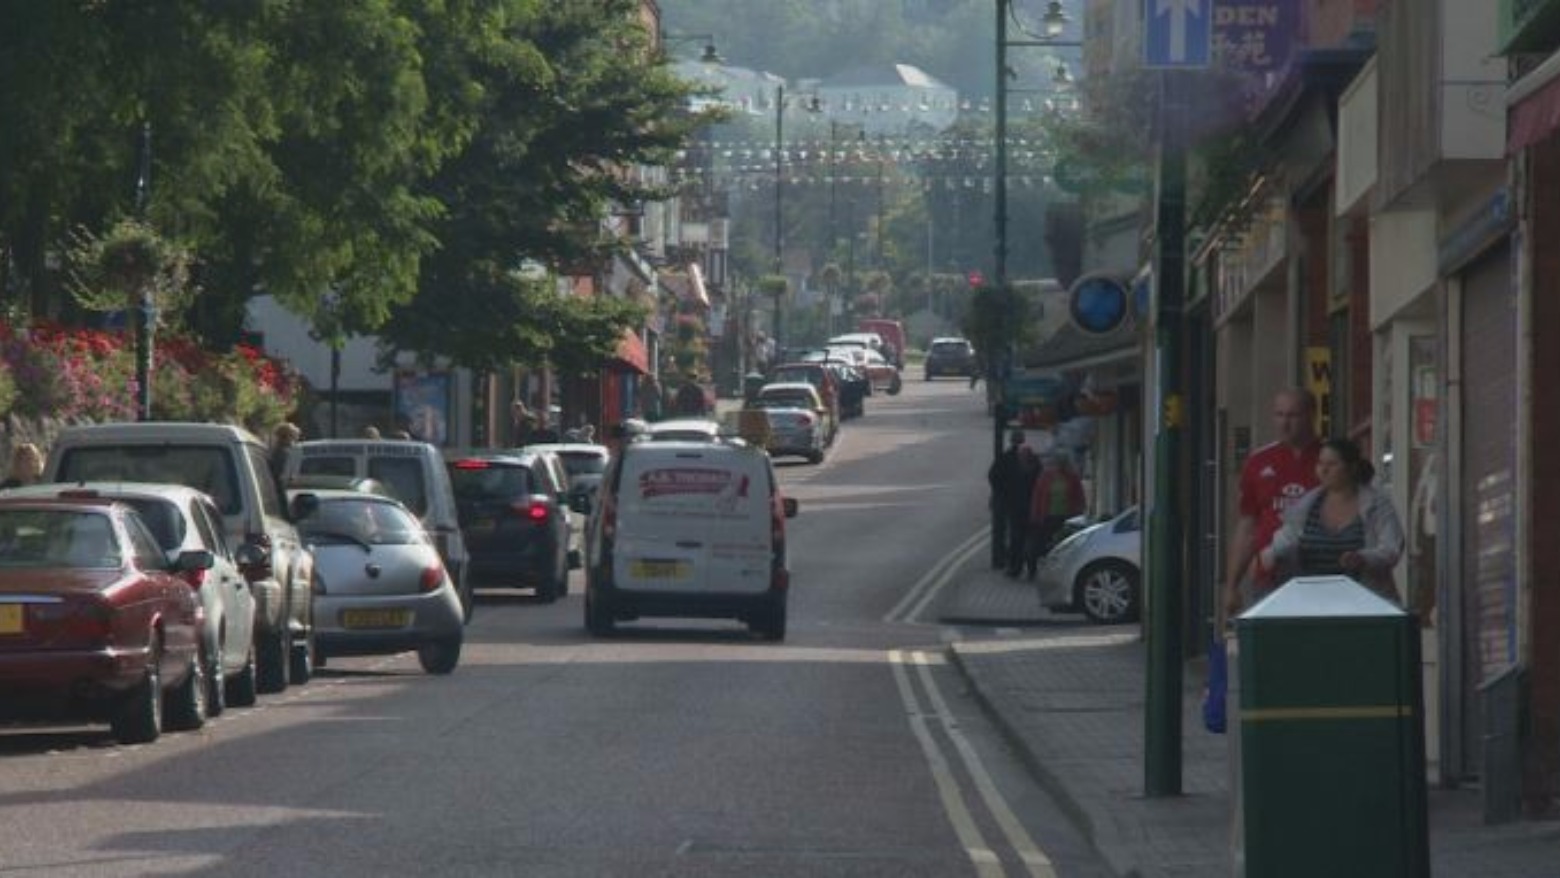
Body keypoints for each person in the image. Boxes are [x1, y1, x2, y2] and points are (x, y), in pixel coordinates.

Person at [1258, 437, 1405, 603]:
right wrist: (1270, 555)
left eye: (1332, 464)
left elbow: (1392, 548)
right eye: (1320, 463)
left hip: (1365, 601)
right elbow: (1285, 540)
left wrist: (1363, 558)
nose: (1324, 470)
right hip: (1312, 601)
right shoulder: (1306, 506)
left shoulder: (1376, 504)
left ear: (1352, 468)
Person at [1223, 388, 1323, 620]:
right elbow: (1247, 527)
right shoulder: (1259, 462)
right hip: (1270, 575)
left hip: (1319, 575)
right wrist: (1232, 586)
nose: (1285, 423)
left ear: (1311, 415)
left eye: (1293, 416)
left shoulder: (1329, 460)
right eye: (1279, 415)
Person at [1027, 452, 1086, 579]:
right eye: (1058, 463)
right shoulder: (1046, 476)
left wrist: (1079, 513)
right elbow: (1037, 496)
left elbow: (1079, 497)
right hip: (1047, 517)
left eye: (1062, 463)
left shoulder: (1072, 477)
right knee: (1040, 546)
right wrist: (1035, 515)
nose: (1059, 466)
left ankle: (1059, 573)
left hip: (1066, 518)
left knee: (1062, 547)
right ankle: (1034, 571)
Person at [986, 429, 1032, 572]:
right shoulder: (1029, 458)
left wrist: (1000, 491)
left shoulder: (1004, 457)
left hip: (1004, 499)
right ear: (1023, 440)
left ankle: (1000, 560)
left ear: (1011, 440)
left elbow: (993, 476)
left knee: (1000, 530)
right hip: (1020, 500)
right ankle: (1015, 560)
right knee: (1017, 532)